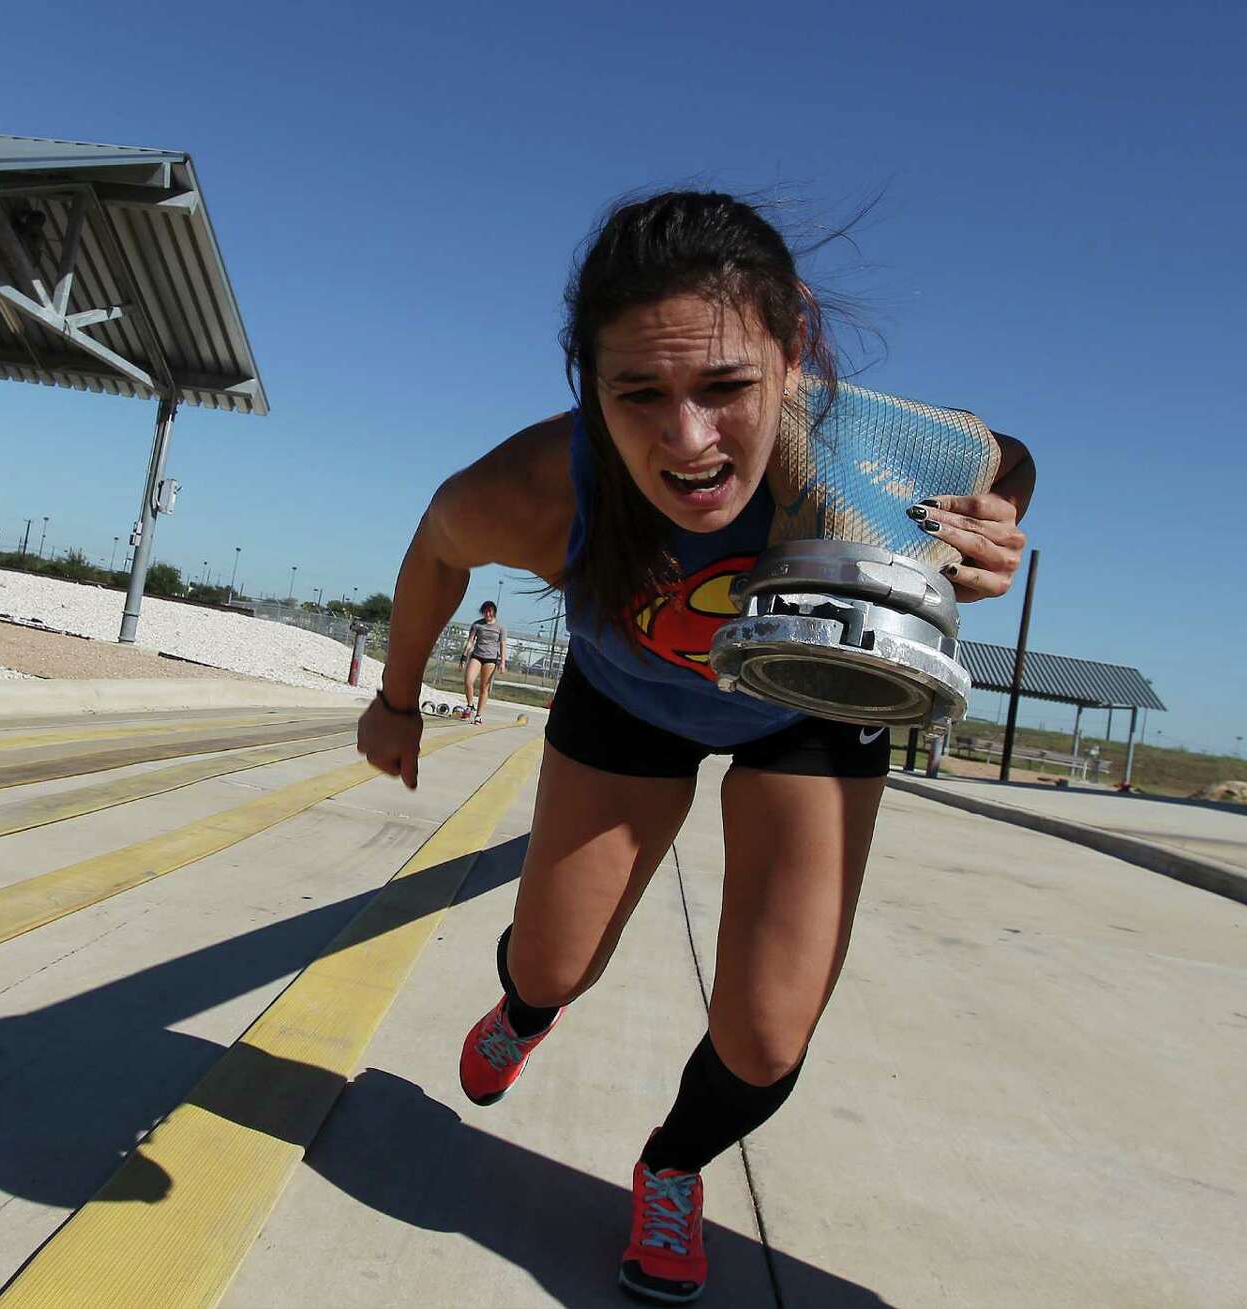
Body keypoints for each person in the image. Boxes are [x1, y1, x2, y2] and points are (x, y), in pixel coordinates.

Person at [357, 191, 1033, 1303]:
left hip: (807, 708)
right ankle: (525, 1012)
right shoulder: (540, 488)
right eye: (640, 396)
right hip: (631, 699)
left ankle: (671, 1165)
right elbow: (436, 552)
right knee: (551, 962)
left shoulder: (872, 450)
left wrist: (988, 529)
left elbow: (1008, 461)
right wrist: (394, 700)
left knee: (767, 1035)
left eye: (727, 387)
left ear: (793, 346)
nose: (690, 443)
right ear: (589, 384)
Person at [460, 600, 507, 722]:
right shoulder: (477, 625)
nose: (487, 614)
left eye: (490, 611)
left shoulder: (500, 628)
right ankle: (470, 705)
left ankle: (478, 715)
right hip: (477, 656)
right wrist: (464, 655)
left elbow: (502, 645)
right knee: (468, 681)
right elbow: (470, 641)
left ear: (494, 612)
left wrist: (502, 662)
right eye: (485, 611)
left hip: (491, 659)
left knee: (483, 687)